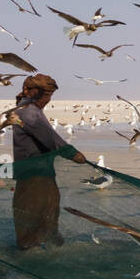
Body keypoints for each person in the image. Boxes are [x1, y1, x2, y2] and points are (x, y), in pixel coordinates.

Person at [11, 73, 88, 250]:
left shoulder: (31, 109)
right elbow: (51, 140)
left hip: (43, 173)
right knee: (32, 215)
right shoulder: (28, 113)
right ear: (27, 91)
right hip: (33, 176)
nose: (47, 100)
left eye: (50, 96)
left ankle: (49, 246)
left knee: (49, 210)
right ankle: (30, 258)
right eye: (44, 95)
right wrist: (73, 154)